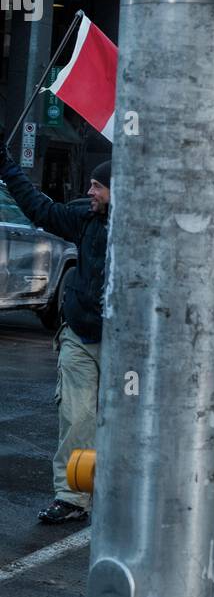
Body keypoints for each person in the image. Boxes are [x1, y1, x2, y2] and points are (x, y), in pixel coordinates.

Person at [0, 134, 110, 523]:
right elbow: (39, 209)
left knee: (130, 427)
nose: (89, 191)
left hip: (127, 346)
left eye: (97, 186)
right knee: (78, 420)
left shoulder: (144, 233)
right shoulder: (85, 218)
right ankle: (73, 498)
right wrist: (7, 165)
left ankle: (130, 498)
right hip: (80, 337)